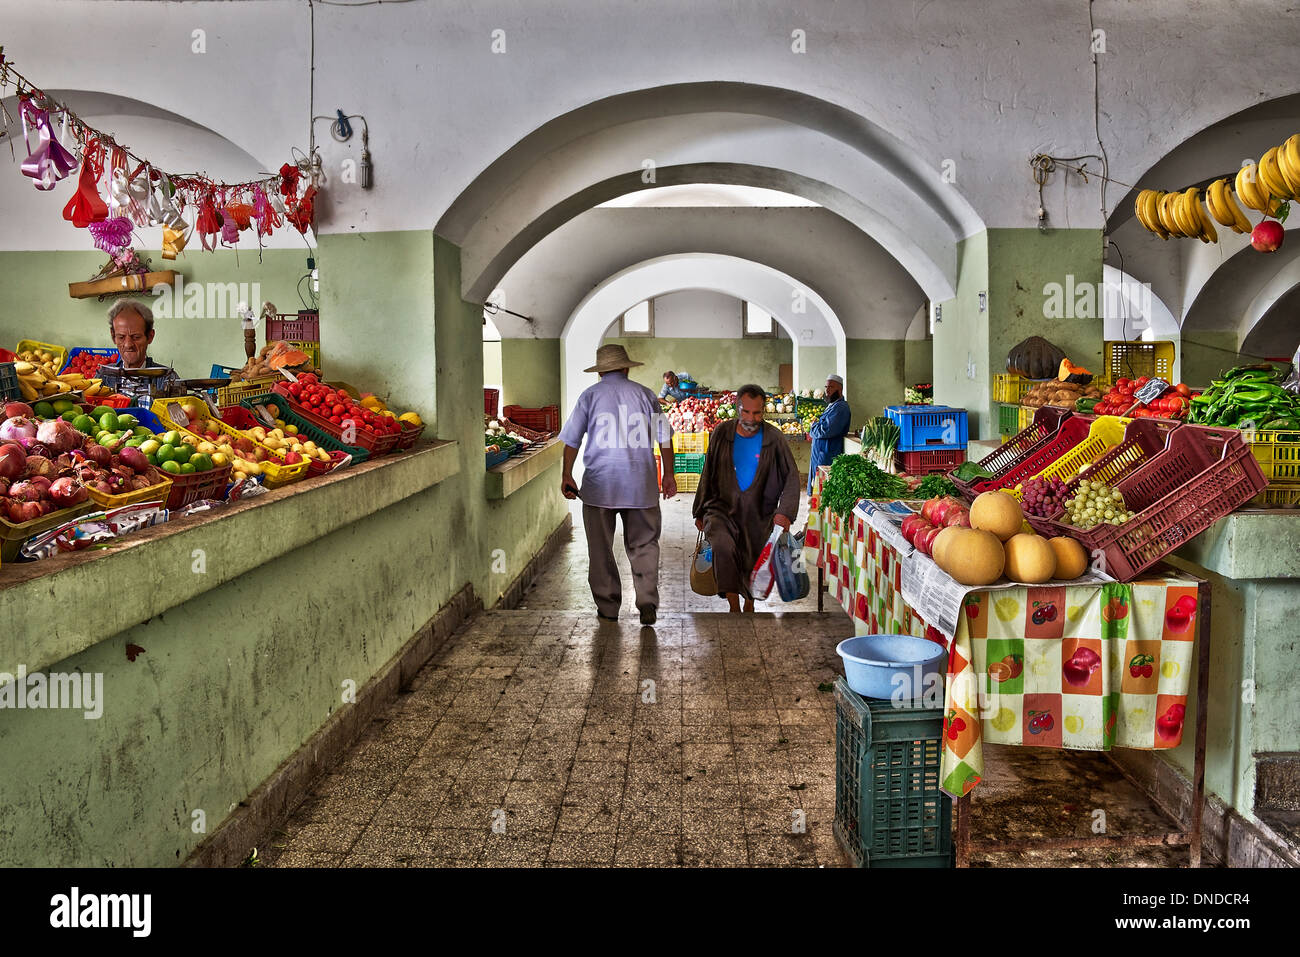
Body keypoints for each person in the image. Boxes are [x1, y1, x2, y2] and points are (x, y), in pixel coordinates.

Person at [559, 344, 676, 626]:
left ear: (600, 373)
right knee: (645, 544)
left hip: (600, 486)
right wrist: (668, 474)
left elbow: (572, 440)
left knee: (600, 549)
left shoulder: (589, 396)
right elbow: (664, 439)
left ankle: (608, 607)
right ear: (626, 368)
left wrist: (567, 474)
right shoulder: (647, 395)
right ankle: (646, 600)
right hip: (641, 484)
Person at [693, 384, 800, 614]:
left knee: (751, 557)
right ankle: (734, 606)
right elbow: (708, 471)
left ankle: (749, 602)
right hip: (720, 510)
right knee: (723, 547)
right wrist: (700, 509)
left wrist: (785, 512)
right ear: (737, 408)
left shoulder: (774, 439)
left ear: (764, 412)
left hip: (760, 513)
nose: (751, 418)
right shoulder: (722, 433)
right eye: (746, 411)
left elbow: (791, 476)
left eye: (757, 413)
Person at [106, 298, 181, 406]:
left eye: (136, 337)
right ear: (113, 337)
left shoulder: (168, 379)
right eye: (121, 337)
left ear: (150, 336)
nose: (128, 345)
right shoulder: (104, 377)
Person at [807, 374, 851, 495]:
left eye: (831, 387)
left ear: (840, 389)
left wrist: (813, 426)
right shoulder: (832, 406)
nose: (827, 390)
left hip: (827, 456)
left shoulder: (841, 408)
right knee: (815, 488)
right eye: (826, 387)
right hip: (820, 454)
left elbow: (825, 430)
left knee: (822, 492)